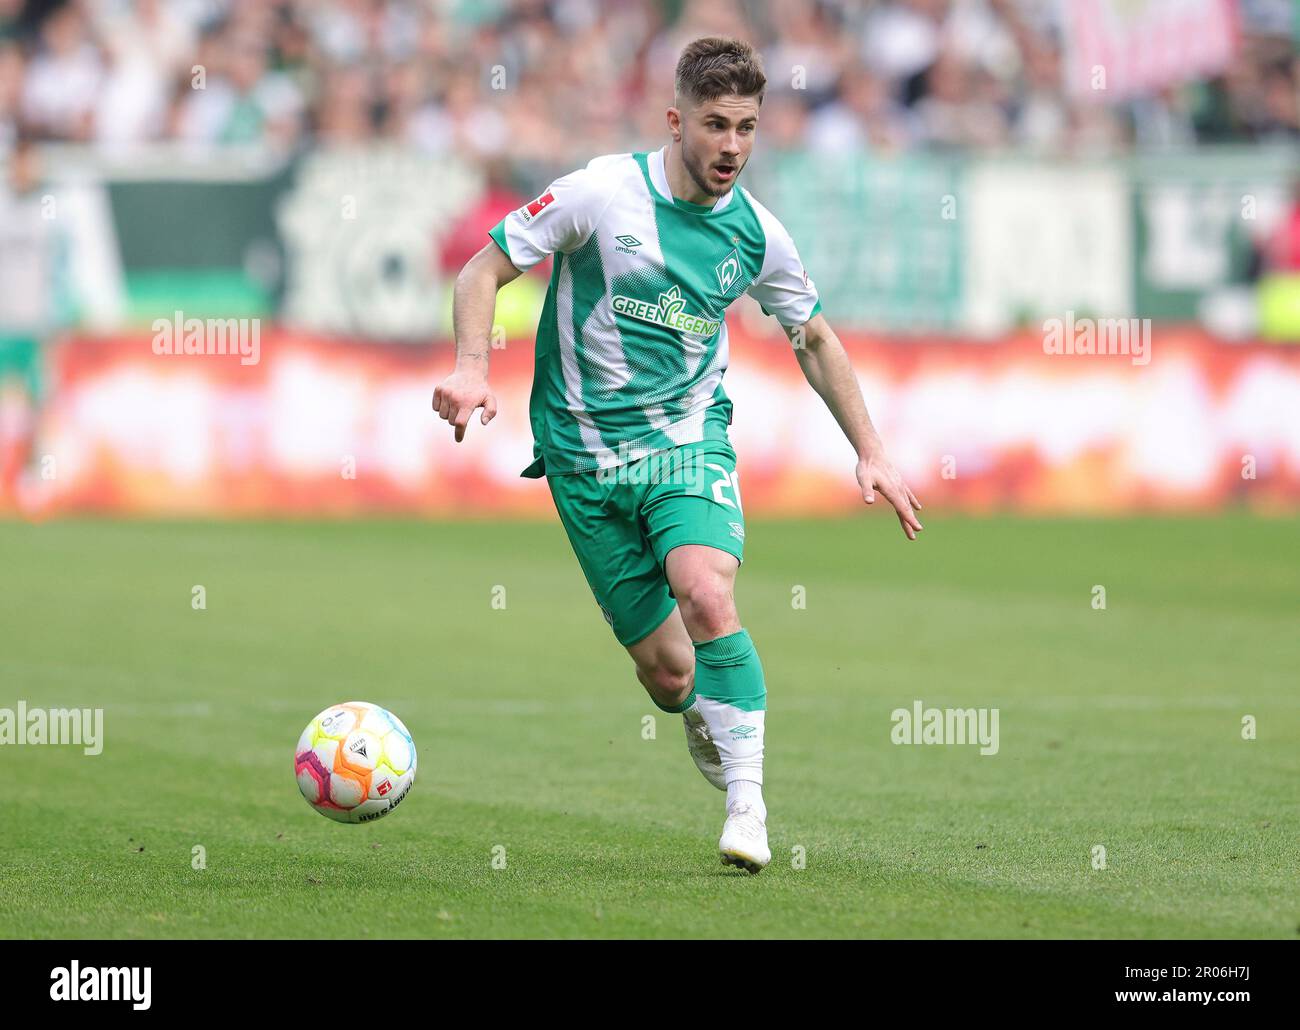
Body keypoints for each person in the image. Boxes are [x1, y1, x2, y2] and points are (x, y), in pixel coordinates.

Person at [432, 36, 922, 873]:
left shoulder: (759, 235)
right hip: (583, 460)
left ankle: (749, 806)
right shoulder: (600, 193)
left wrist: (871, 449)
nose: (732, 146)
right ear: (676, 120)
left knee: (705, 589)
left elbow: (814, 336)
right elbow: (484, 270)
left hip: (686, 444)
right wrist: (473, 371)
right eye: (716, 124)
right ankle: (701, 710)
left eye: (747, 128)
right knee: (666, 675)